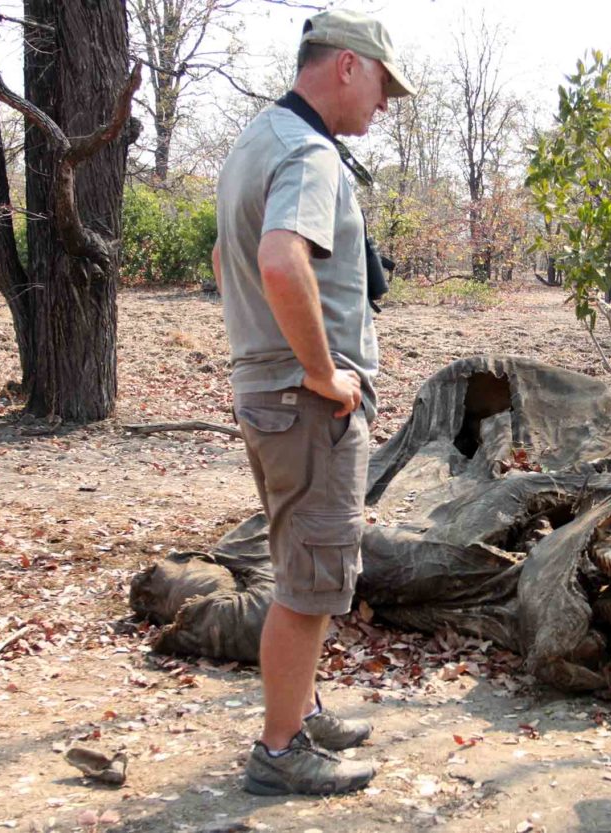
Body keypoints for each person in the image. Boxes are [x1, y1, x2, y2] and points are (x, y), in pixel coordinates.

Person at [211, 9, 414, 796]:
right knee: (312, 580)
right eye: (383, 87)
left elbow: (231, 261)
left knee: (299, 564)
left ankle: (299, 707)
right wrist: (326, 374)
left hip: (267, 392)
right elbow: (278, 260)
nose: (385, 105)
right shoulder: (307, 150)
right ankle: (281, 748)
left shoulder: (258, 138)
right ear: (346, 67)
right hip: (304, 405)